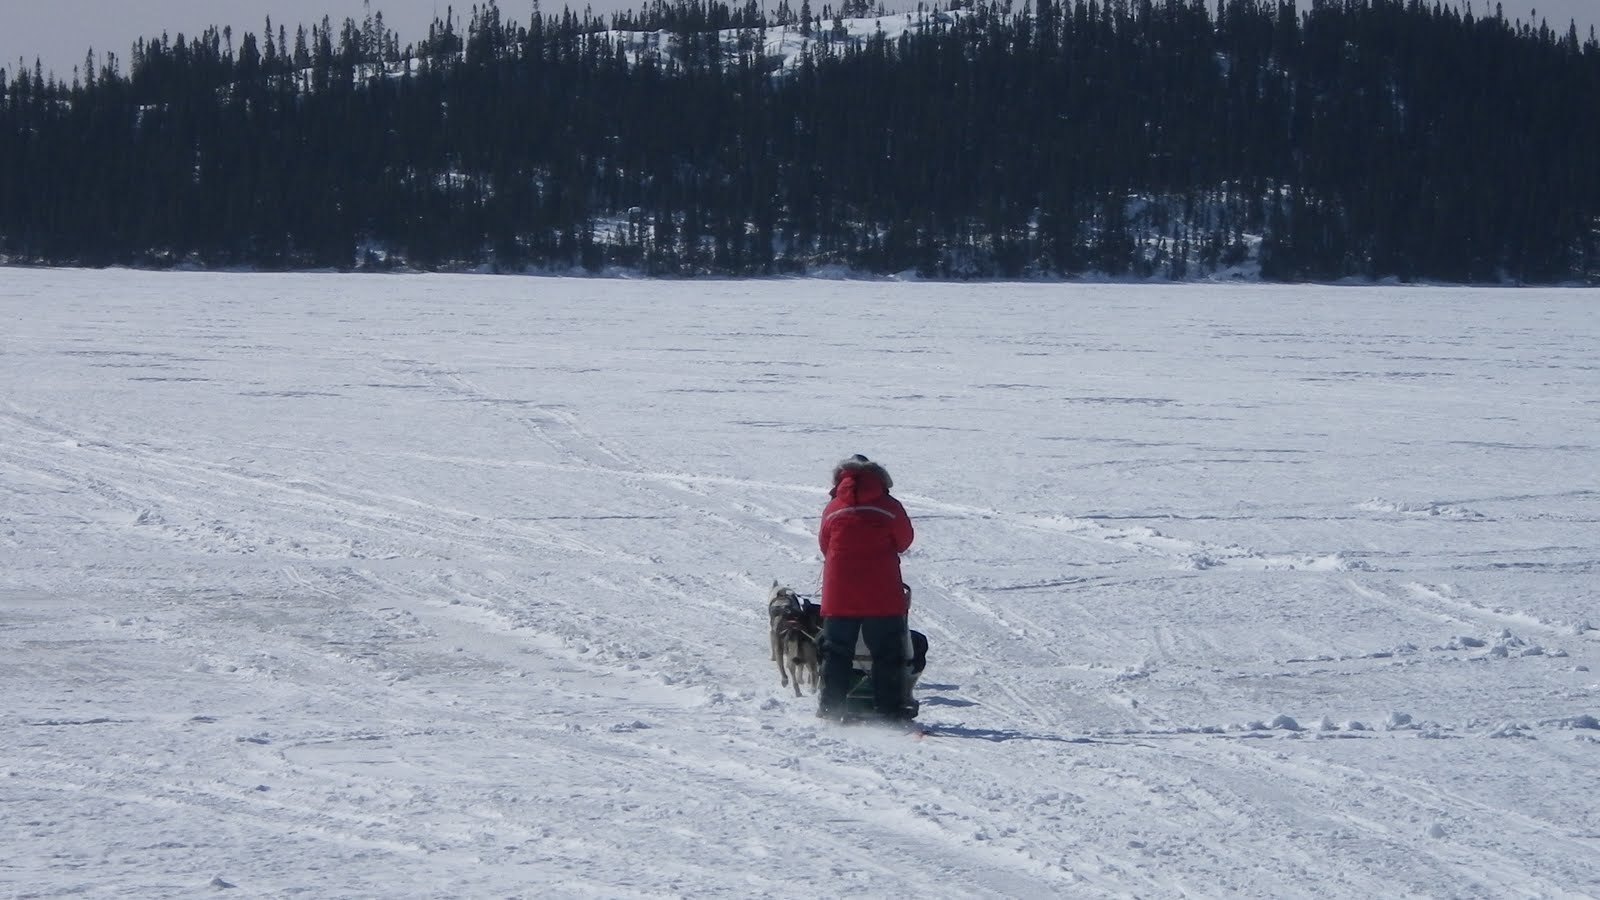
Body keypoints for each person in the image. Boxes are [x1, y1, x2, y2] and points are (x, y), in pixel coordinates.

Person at [816, 454, 915, 721]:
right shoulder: (889, 506)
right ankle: (889, 710)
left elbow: (824, 545)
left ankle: (831, 707)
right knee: (886, 652)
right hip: (881, 591)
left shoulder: (833, 507)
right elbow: (904, 540)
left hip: (839, 591)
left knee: (836, 651)